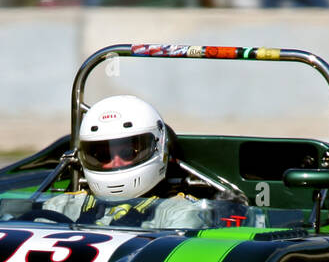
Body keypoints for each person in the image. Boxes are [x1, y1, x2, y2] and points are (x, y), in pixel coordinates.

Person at [42, 95, 213, 230]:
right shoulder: (61, 206)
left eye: (128, 152)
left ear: (159, 147)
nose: (116, 162)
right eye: (103, 155)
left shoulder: (179, 213)